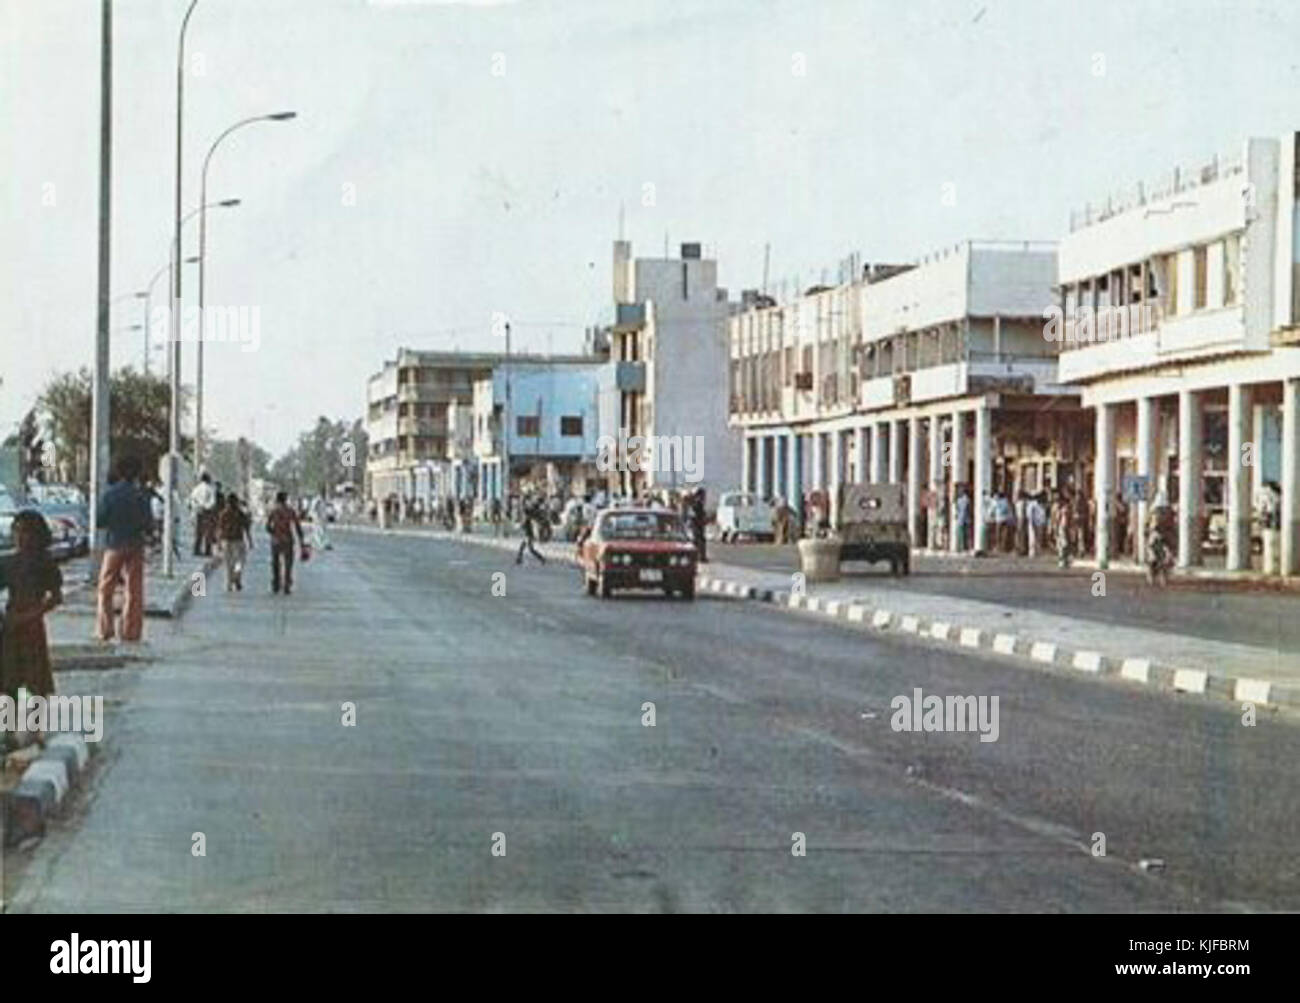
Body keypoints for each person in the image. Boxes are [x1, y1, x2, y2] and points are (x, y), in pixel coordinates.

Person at [1, 510, 63, 748]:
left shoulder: (45, 563)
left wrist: (32, 614)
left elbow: (56, 597)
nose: (20, 537)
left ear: (36, 535)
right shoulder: (7, 562)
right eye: (16, 531)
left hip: (32, 627)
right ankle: (8, 731)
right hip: (9, 626)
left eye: (25, 531)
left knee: (36, 681)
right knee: (8, 681)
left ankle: (35, 730)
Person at [96, 455, 153, 642]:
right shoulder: (141, 495)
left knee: (106, 588)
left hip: (114, 545)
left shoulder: (109, 494)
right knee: (134, 590)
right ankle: (131, 631)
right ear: (137, 473)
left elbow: (100, 521)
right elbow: (148, 523)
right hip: (136, 545)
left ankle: (105, 629)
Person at [266, 491, 305, 595]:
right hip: (287, 539)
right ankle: (287, 585)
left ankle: (276, 584)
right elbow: (297, 527)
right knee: (288, 563)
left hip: (276, 541)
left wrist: (274, 533)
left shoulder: (273, 511)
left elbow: (267, 527)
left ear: (277, 500)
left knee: (275, 563)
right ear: (285, 499)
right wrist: (302, 541)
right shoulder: (290, 511)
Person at [218, 493, 253, 591]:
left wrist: (219, 543)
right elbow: (246, 528)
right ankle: (237, 576)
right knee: (239, 562)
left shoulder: (223, 513)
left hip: (226, 540)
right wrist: (250, 541)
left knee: (229, 564)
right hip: (238, 540)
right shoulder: (240, 513)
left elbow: (220, 529)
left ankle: (229, 583)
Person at [189, 472, 216, 556]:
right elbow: (212, 501)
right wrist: (206, 507)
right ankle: (207, 551)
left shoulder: (196, 489)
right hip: (207, 513)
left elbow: (192, 500)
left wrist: (197, 507)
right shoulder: (210, 488)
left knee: (198, 532)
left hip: (198, 512)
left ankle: (196, 550)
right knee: (208, 532)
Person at [516, 496, 546, 565]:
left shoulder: (529, 512)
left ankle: (541, 559)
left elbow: (529, 516)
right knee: (524, 546)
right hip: (528, 531)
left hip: (528, 532)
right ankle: (519, 558)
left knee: (529, 548)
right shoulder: (530, 511)